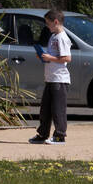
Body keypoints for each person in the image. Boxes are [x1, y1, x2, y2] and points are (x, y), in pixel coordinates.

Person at [29, 9, 72, 144]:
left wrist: (50, 58)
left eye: (48, 23)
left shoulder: (63, 38)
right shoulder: (53, 37)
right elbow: (53, 56)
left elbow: (67, 58)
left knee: (58, 109)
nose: (47, 26)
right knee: (45, 109)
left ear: (56, 22)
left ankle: (60, 136)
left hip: (60, 79)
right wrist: (44, 57)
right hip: (50, 78)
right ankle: (43, 134)